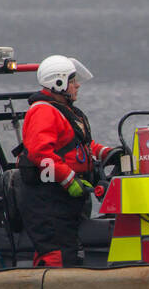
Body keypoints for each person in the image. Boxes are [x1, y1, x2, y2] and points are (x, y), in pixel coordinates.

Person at [16, 55, 117, 267]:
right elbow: (40, 154)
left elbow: (82, 146)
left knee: (65, 250)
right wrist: (69, 179)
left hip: (64, 202)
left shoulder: (66, 111)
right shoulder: (44, 111)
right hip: (49, 201)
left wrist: (109, 153)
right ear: (58, 82)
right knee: (58, 254)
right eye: (72, 81)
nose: (77, 85)